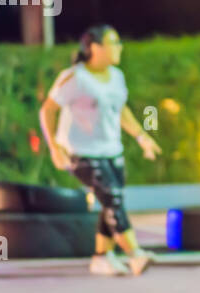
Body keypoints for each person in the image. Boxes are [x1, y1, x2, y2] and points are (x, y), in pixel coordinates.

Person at [39, 25, 161, 276]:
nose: (119, 48)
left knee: (110, 203)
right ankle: (135, 254)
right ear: (94, 47)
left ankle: (101, 257)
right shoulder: (74, 78)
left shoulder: (117, 76)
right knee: (112, 197)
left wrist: (142, 136)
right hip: (80, 152)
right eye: (113, 43)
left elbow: (121, 111)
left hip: (111, 150)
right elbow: (47, 110)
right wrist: (53, 146)